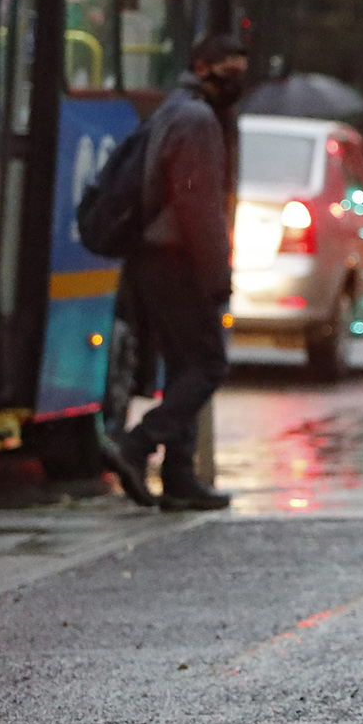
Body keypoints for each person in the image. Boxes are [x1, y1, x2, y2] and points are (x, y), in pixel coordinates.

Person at [103, 34, 247, 512]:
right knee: (208, 365)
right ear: (202, 67)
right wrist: (217, 275)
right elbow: (199, 209)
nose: (236, 81)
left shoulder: (176, 110)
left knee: (185, 366)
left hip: (155, 257)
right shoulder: (197, 121)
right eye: (228, 70)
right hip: (176, 260)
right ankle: (137, 444)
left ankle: (179, 474)